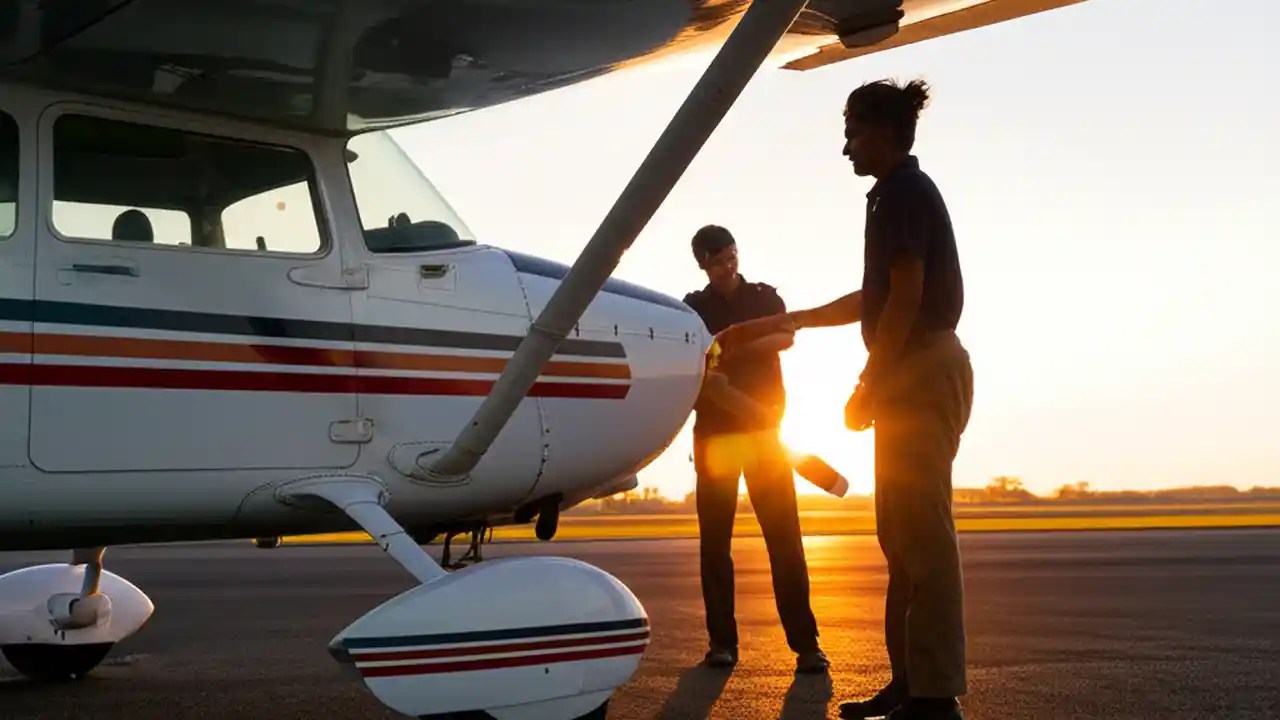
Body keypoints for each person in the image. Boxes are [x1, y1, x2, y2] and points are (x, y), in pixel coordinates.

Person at [717, 79, 974, 720]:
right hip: (907, 368)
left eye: (853, 131)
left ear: (882, 133)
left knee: (923, 536)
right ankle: (910, 684)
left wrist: (870, 382)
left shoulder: (905, 194)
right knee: (900, 536)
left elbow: (908, 297)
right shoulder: (889, 197)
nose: (845, 147)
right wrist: (792, 321)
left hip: (919, 368)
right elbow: (875, 298)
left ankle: (936, 698)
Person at [682, 224, 829, 675]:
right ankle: (721, 644)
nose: (728, 266)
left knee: (784, 540)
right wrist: (723, 359)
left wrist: (729, 351)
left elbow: (784, 336)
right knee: (715, 546)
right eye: (718, 260)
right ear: (703, 264)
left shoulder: (765, 297)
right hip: (716, 436)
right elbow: (691, 357)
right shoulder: (691, 309)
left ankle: (806, 645)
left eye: (731, 256)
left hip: (765, 432)